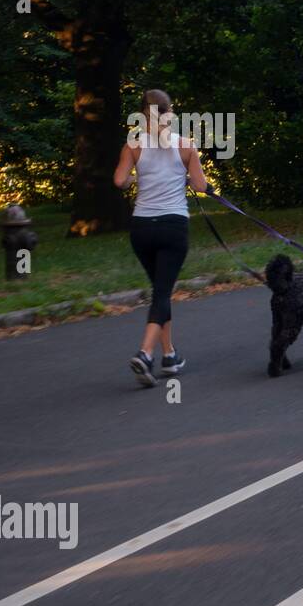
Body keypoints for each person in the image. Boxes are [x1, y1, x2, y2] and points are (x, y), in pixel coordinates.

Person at [112, 89, 209, 386]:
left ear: (143, 114)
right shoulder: (186, 146)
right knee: (163, 292)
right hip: (172, 227)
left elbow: (119, 181)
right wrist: (188, 175)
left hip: (142, 229)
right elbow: (201, 186)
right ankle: (145, 353)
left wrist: (132, 179)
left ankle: (169, 355)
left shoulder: (133, 146)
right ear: (170, 112)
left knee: (160, 291)